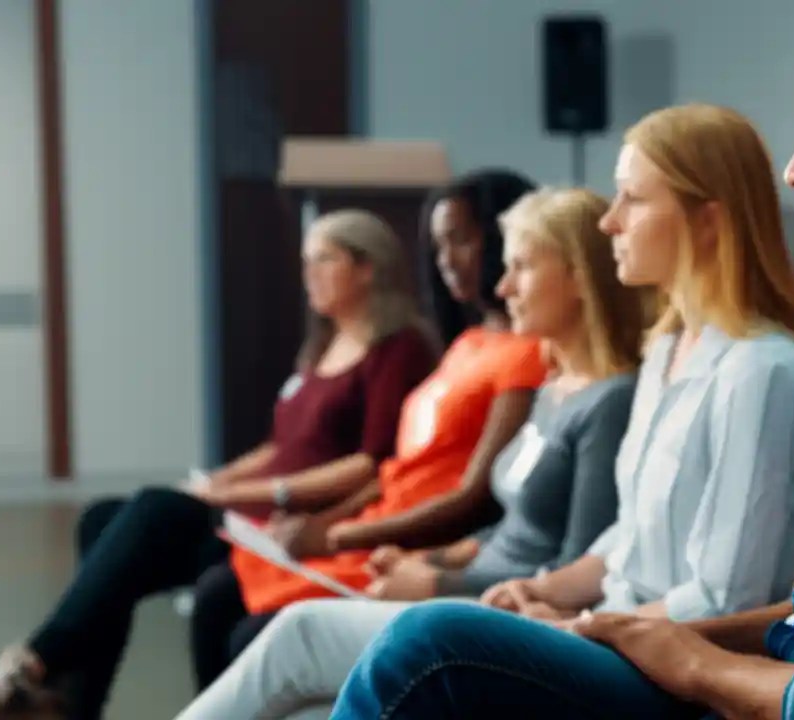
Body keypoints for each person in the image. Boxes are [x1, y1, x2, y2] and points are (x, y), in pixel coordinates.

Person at [328, 0, 794, 717]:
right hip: (767, 675)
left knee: (428, 651)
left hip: (793, 701)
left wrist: (692, 662)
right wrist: (629, 632)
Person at [175, 186, 649, 720]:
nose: (502, 286)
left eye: (523, 268)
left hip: (507, 609)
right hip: (478, 585)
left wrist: (437, 582)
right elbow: (509, 528)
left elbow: (575, 567)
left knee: (297, 636)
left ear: (580, 276)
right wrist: (428, 560)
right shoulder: (556, 387)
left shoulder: (610, 402)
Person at [0, 210, 436, 720]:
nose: (309, 275)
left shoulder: (398, 348)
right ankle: (74, 702)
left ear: (367, 268)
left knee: (155, 510)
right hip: (251, 516)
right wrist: (218, 482)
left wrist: (242, 496)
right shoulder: (321, 345)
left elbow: (369, 464)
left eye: (324, 260)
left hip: (294, 531)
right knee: (100, 517)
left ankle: (35, 664)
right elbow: (280, 445)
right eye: (305, 262)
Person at [187, 170, 548, 676]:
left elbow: (474, 496)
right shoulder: (467, 344)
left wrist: (336, 538)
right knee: (215, 594)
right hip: (376, 524)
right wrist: (329, 524)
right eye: (437, 245)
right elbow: (395, 468)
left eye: (460, 240)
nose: (446, 260)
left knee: (239, 619)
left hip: (402, 540)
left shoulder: (524, 357)